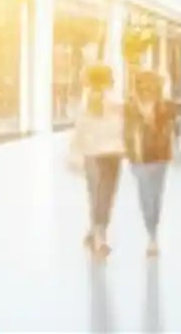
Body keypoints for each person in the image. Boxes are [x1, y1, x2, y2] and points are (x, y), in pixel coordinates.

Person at [74, 63, 126, 257]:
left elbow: (80, 130)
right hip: (114, 153)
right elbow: (124, 125)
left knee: (95, 195)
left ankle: (95, 232)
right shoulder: (117, 101)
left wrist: (75, 153)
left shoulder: (85, 103)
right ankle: (99, 234)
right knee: (107, 195)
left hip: (92, 154)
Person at [125, 70, 178, 257]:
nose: (147, 91)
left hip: (160, 156)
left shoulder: (164, 107)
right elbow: (126, 132)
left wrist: (176, 151)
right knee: (145, 197)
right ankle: (151, 234)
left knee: (155, 197)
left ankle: (153, 231)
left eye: (151, 87)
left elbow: (173, 129)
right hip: (139, 158)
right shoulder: (130, 108)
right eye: (143, 87)